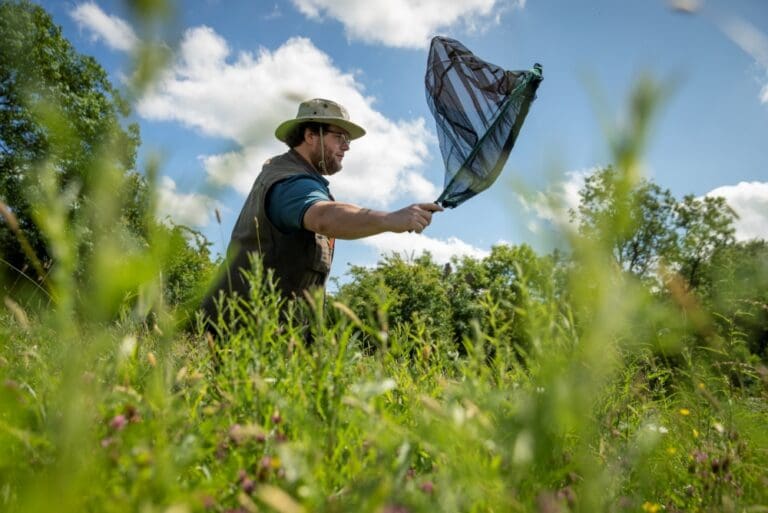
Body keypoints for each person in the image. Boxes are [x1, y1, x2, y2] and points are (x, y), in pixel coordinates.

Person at [200, 98, 442, 328]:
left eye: (348, 140)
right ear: (310, 136)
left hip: (268, 336)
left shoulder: (291, 175)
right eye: (340, 137)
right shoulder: (291, 182)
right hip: (248, 337)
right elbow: (324, 218)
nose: (346, 147)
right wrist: (391, 219)